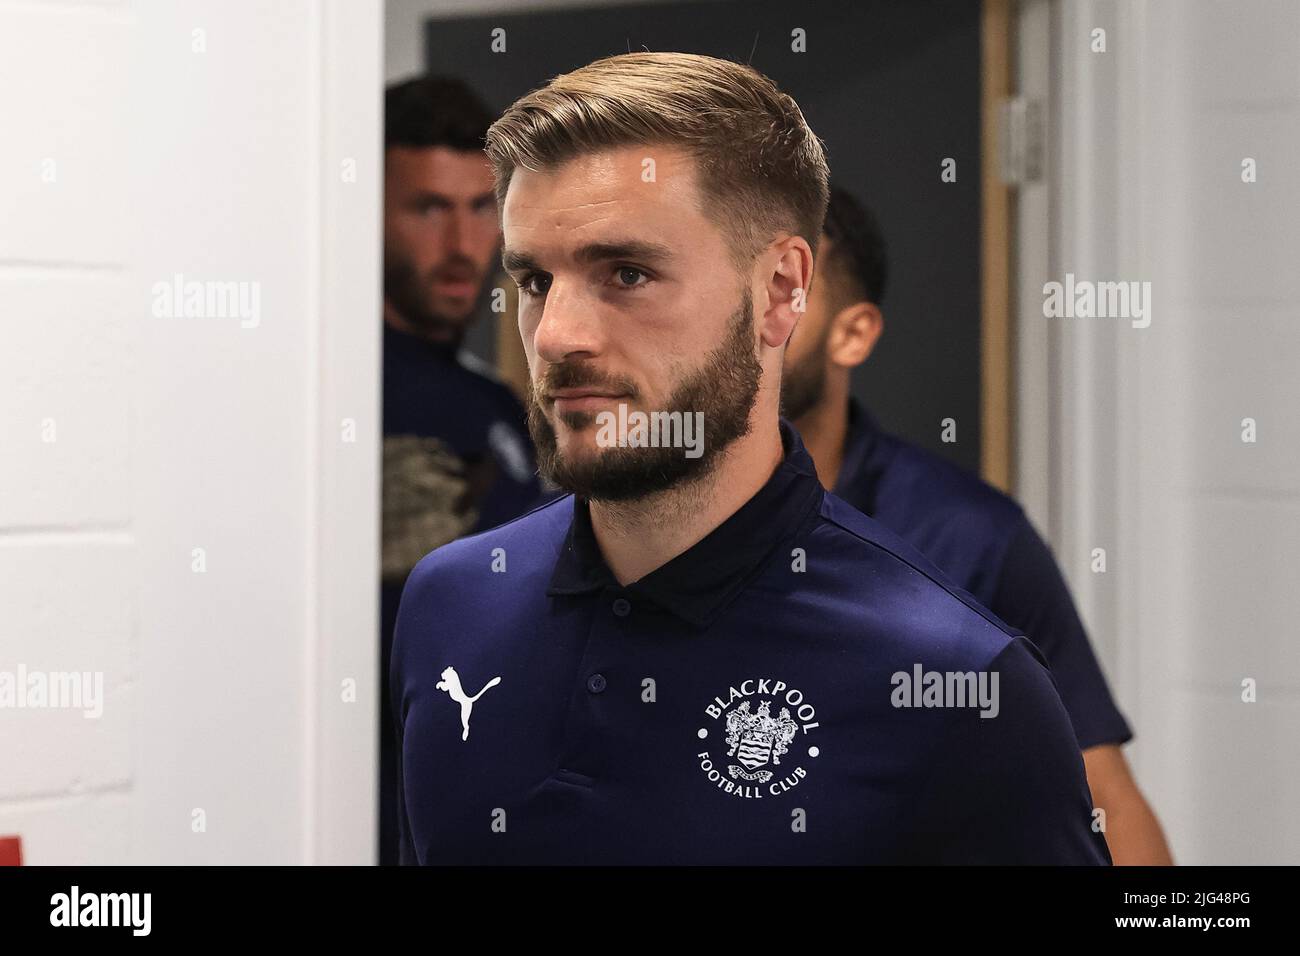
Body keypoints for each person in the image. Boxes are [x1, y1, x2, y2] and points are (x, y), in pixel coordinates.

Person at [390, 51, 1110, 864]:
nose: (555, 336)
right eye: (533, 281)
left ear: (779, 292)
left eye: (626, 273)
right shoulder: (449, 606)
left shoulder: (955, 681)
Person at [782, 184, 1173, 865]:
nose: (751, 322)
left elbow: (1101, 791)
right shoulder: (636, 525)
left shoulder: (968, 536)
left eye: (786, 294)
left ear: (854, 332)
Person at [379, 75, 541, 865]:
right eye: (427, 209)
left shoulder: (497, 401)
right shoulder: (329, 390)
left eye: (480, 209)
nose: (462, 244)